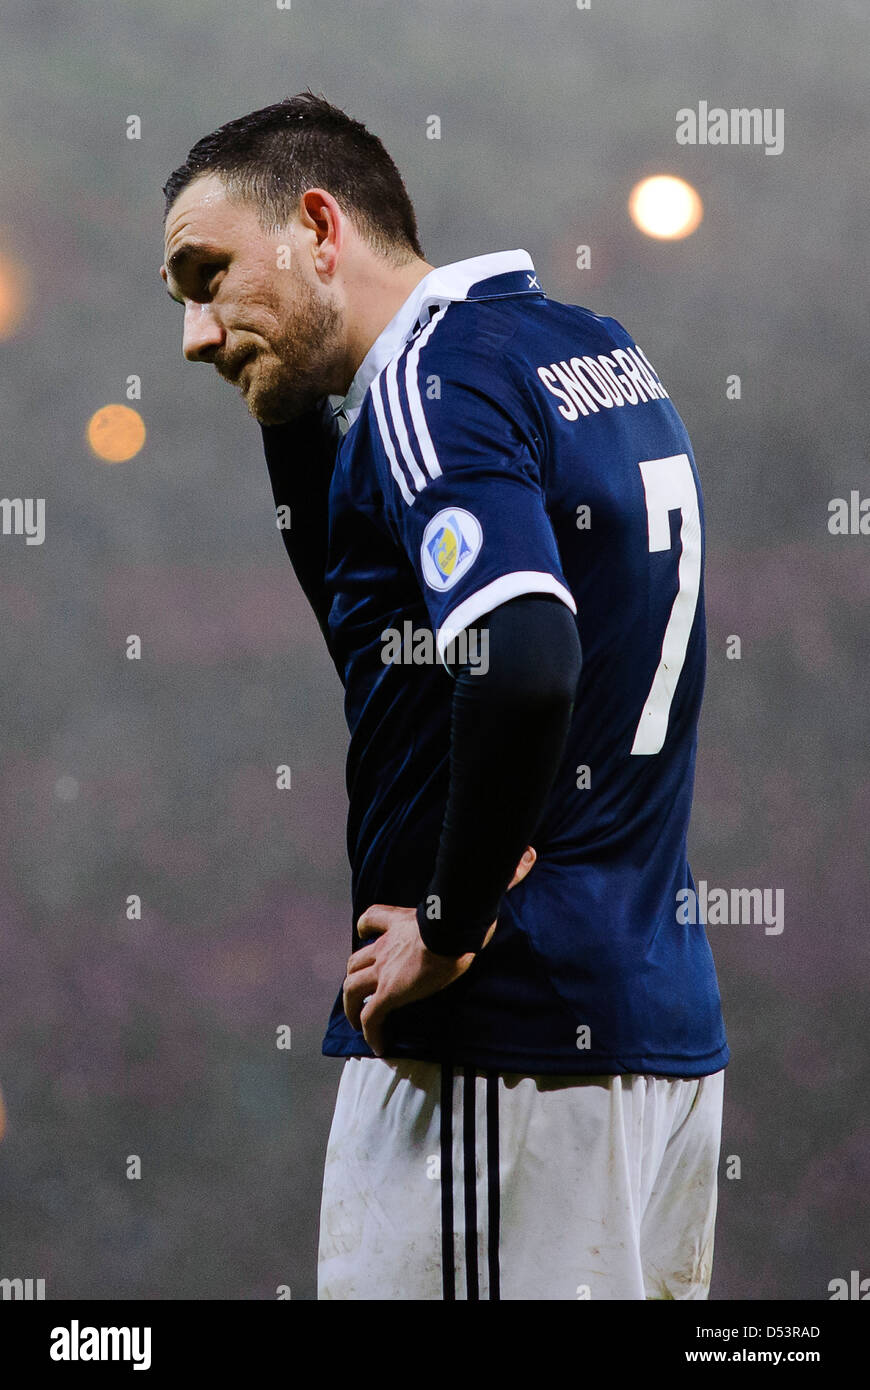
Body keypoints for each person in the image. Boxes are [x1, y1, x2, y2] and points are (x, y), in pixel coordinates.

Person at [161, 91, 728, 1301]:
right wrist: (293, 402)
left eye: (207, 277)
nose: (196, 334)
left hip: (495, 1050)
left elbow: (524, 658)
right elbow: (388, 641)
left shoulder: (431, 379)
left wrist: (453, 917)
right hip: (651, 1039)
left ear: (319, 225)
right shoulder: (585, 349)